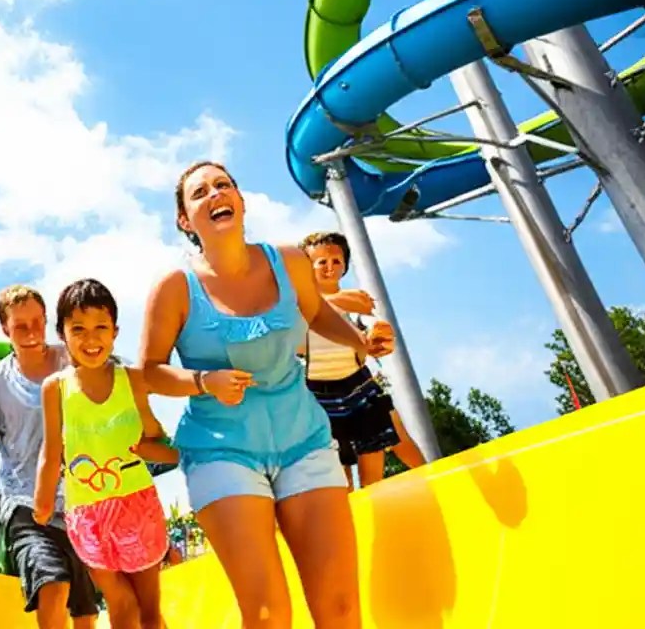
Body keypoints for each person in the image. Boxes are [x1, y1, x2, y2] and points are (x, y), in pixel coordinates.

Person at [139, 160, 392, 629]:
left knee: (340, 609)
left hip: (304, 439)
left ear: (240, 200)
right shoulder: (174, 288)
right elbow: (149, 372)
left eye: (224, 185)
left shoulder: (291, 261)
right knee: (269, 614)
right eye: (200, 193)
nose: (216, 195)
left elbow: (316, 312)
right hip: (223, 448)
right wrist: (201, 381)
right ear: (183, 219)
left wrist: (362, 342)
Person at [33, 279, 177, 629]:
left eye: (101, 327)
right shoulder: (55, 388)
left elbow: (164, 445)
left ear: (115, 332)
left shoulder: (133, 379)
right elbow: (52, 451)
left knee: (148, 608)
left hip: (135, 504)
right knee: (119, 601)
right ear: (62, 334)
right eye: (78, 329)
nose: (90, 338)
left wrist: (151, 449)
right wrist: (42, 501)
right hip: (87, 513)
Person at [0, 285, 99, 629]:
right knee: (51, 580)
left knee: (85, 609)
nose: (31, 333)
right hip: (25, 505)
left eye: (37, 323)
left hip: (79, 501)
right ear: (4, 330)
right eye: (20, 326)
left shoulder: (69, 360)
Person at [299, 231, 426, 489]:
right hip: (318, 395)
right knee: (337, 474)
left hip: (358, 385)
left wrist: (377, 332)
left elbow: (369, 322)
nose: (330, 267)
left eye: (336, 261)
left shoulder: (356, 301)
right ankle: (349, 521)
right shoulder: (299, 306)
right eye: (321, 262)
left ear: (345, 265)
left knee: (387, 442)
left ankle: (432, 476)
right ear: (306, 267)